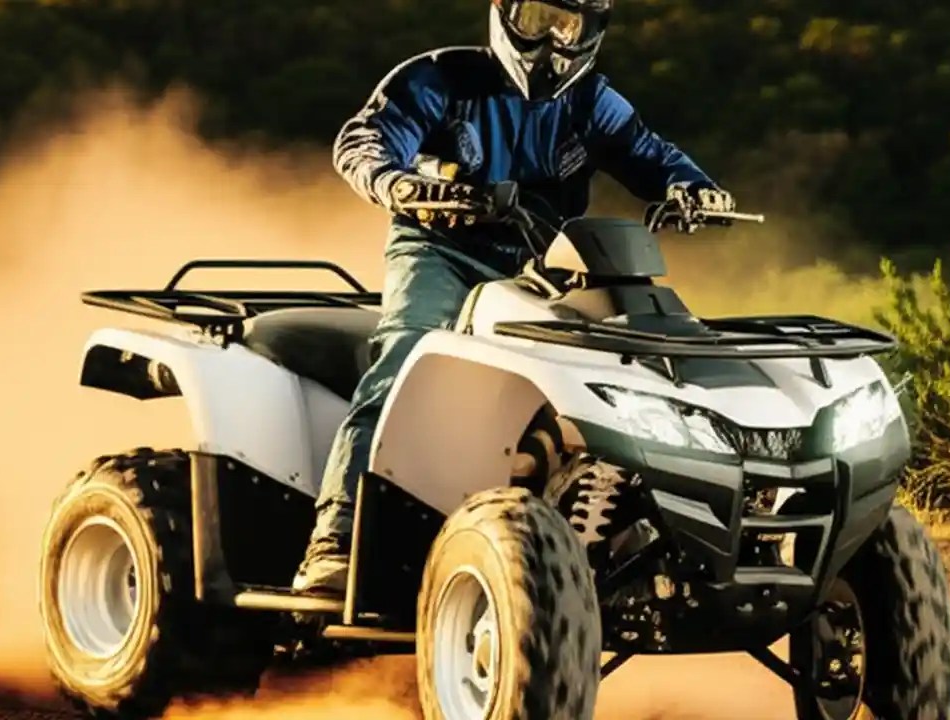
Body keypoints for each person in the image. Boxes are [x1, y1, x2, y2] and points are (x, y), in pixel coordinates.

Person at [292, 0, 736, 595]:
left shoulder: (591, 102)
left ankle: (626, 540)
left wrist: (695, 189)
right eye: (536, 18)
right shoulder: (441, 77)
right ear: (504, 14)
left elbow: (650, 152)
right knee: (403, 357)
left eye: (567, 24)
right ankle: (337, 537)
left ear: (593, 31)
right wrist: (396, 181)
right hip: (440, 252)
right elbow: (363, 140)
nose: (551, 39)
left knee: (627, 374)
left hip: (544, 268)